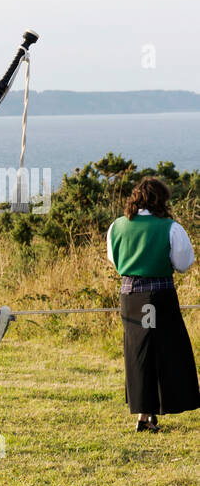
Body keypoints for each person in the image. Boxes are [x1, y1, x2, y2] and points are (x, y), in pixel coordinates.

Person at [106, 176, 198, 430]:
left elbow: (115, 260)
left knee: (138, 352)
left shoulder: (117, 226)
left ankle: (145, 413)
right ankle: (147, 414)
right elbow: (183, 264)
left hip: (130, 295)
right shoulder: (169, 227)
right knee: (165, 350)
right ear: (161, 200)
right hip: (158, 296)